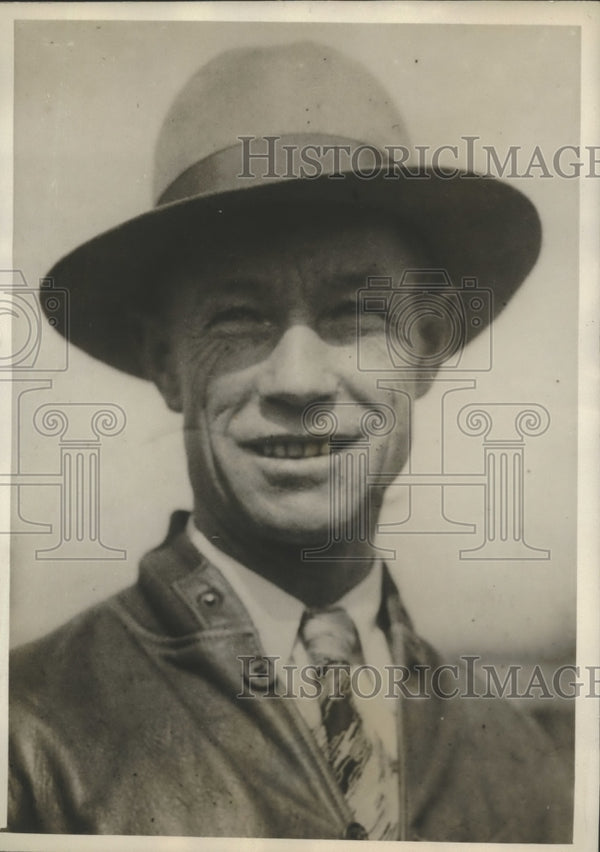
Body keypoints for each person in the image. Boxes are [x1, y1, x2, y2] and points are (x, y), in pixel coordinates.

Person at [8, 41, 572, 841]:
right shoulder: (29, 744)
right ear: (166, 364)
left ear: (428, 347)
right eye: (239, 318)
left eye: (354, 314)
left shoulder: (521, 767)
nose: (298, 380)